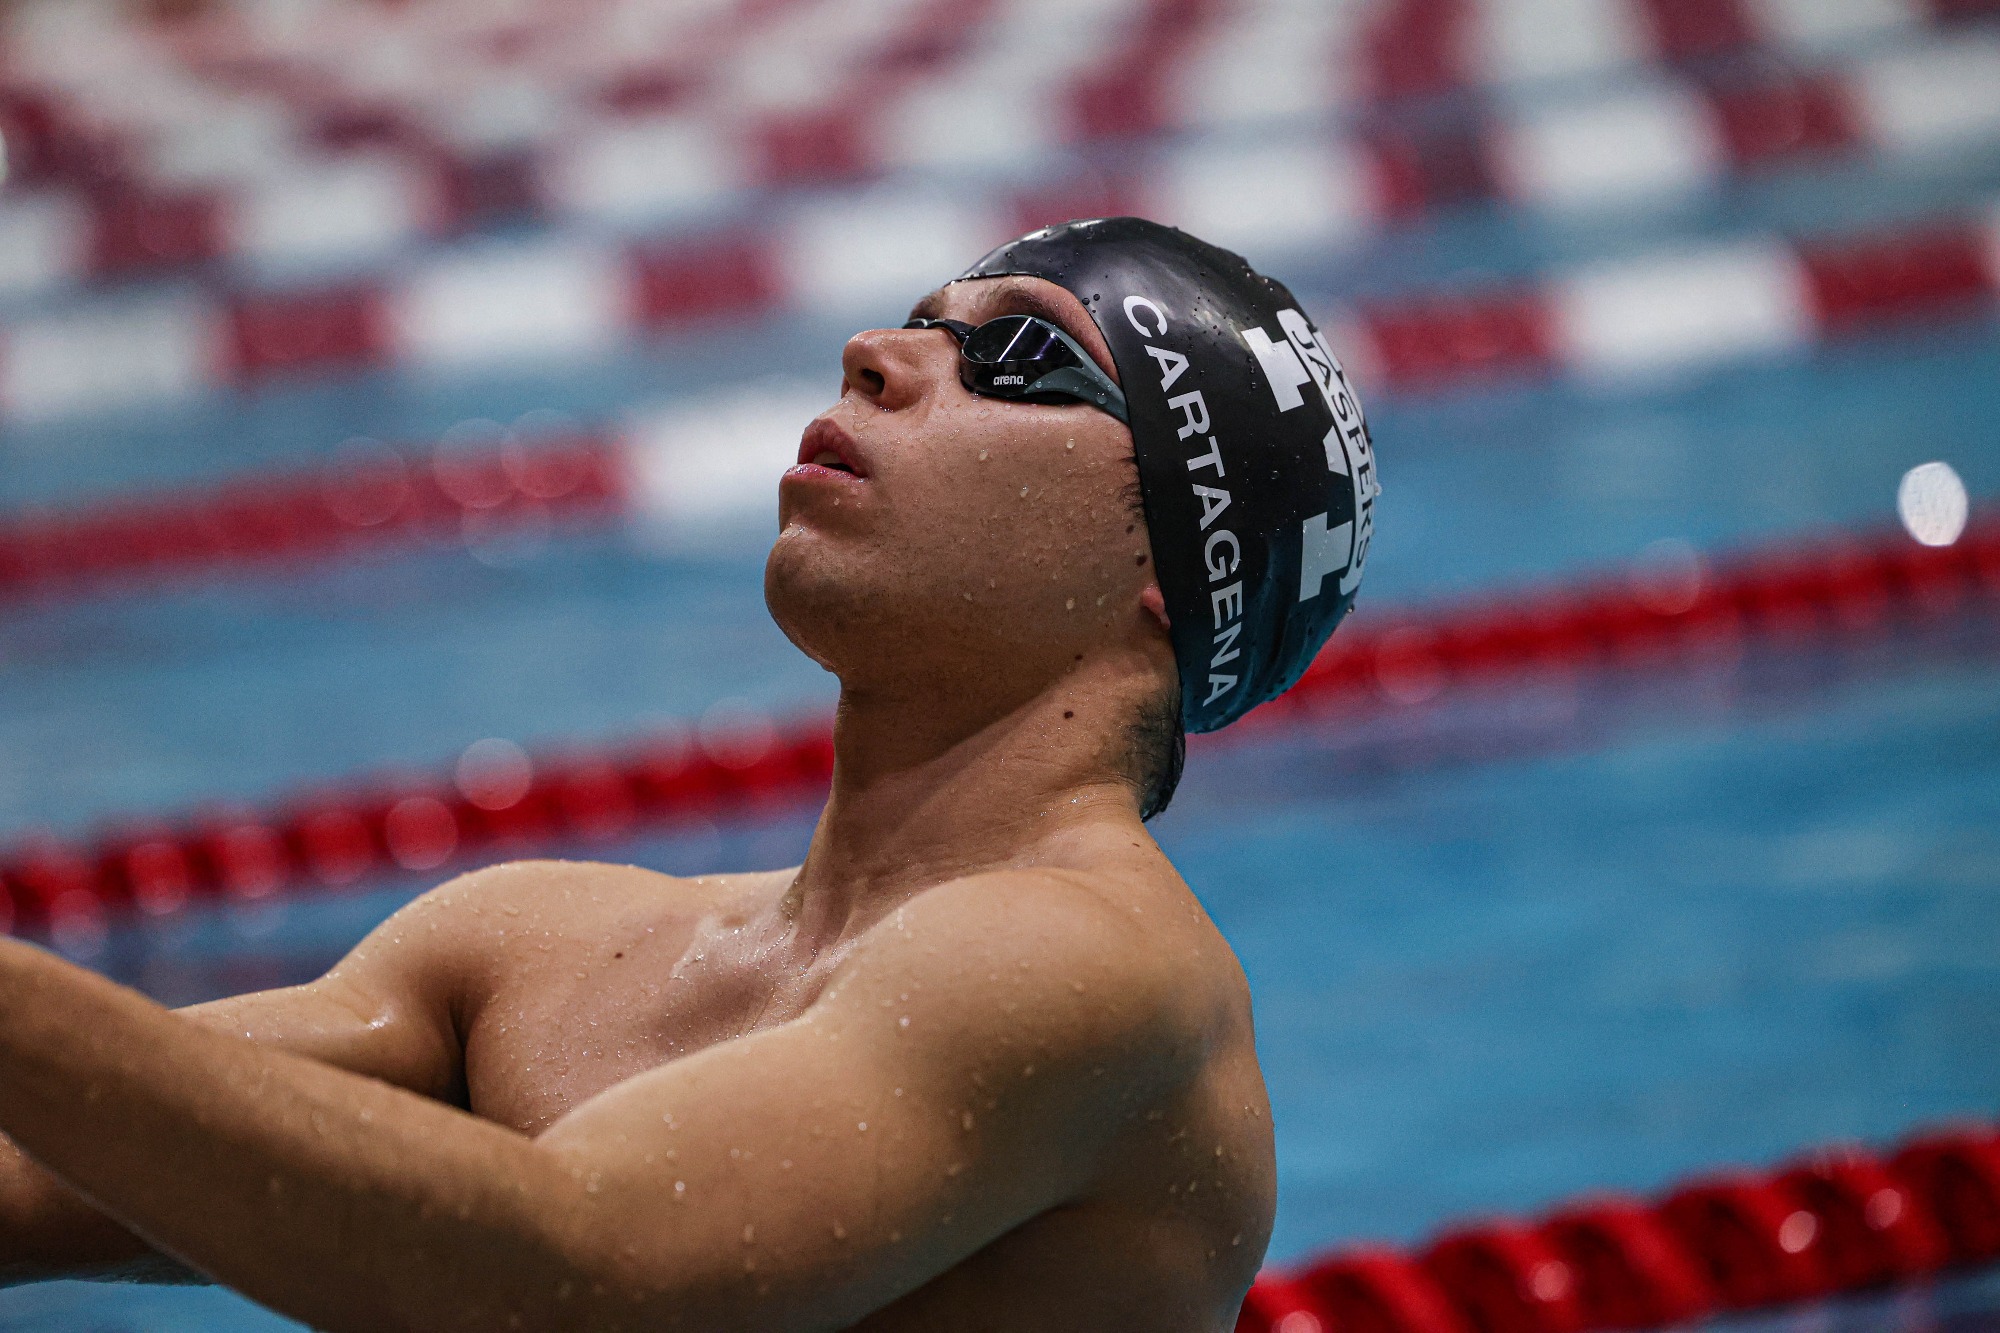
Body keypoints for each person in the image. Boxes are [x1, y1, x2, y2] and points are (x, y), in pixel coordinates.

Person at [0, 218, 1375, 1331]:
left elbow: (573, 1276)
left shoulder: (1098, 967)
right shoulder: (526, 949)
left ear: (1173, 571)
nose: (878, 353)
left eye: (1013, 354)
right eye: (920, 318)